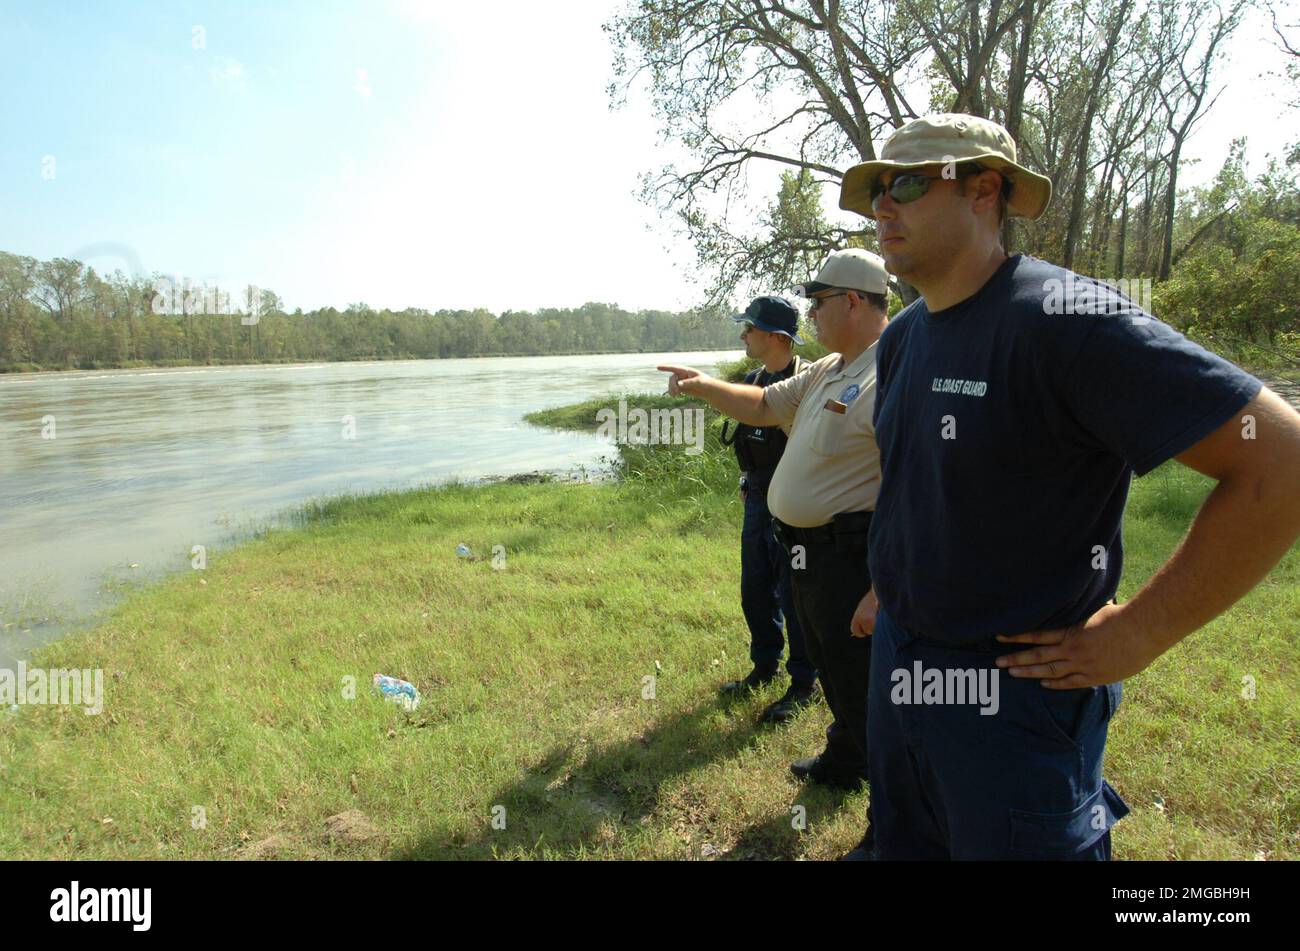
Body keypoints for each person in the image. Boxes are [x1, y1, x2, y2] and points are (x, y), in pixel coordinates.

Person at [839, 112, 1300, 860]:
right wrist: (889, 583)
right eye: (876, 192)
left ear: (985, 189)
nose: (882, 207)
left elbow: (1280, 460)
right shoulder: (904, 337)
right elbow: (921, 478)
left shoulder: (1065, 319)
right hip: (900, 668)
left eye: (907, 184)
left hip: (1017, 696)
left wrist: (1140, 631)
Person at [659, 248, 890, 859]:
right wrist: (702, 384)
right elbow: (763, 406)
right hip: (808, 553)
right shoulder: (829, 368)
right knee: (831, 665)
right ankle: (845, 760)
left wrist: (882, 585)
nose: (810, 314)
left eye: (817, 303)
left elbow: (916, 488)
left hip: (854, 556)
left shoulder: (894, 370)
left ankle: (890, 825)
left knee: (870, 685)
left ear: (854, 301)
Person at [717, 296, 818, 725]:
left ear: (778, 337)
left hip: (793, 507)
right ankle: (764, 666)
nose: (743, 334)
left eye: (750, 328)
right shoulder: (754, 379)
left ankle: (803, 684)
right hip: (757, 501)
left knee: (795, 595)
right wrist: (746, 481)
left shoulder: (809, 381)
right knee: (754, 589)